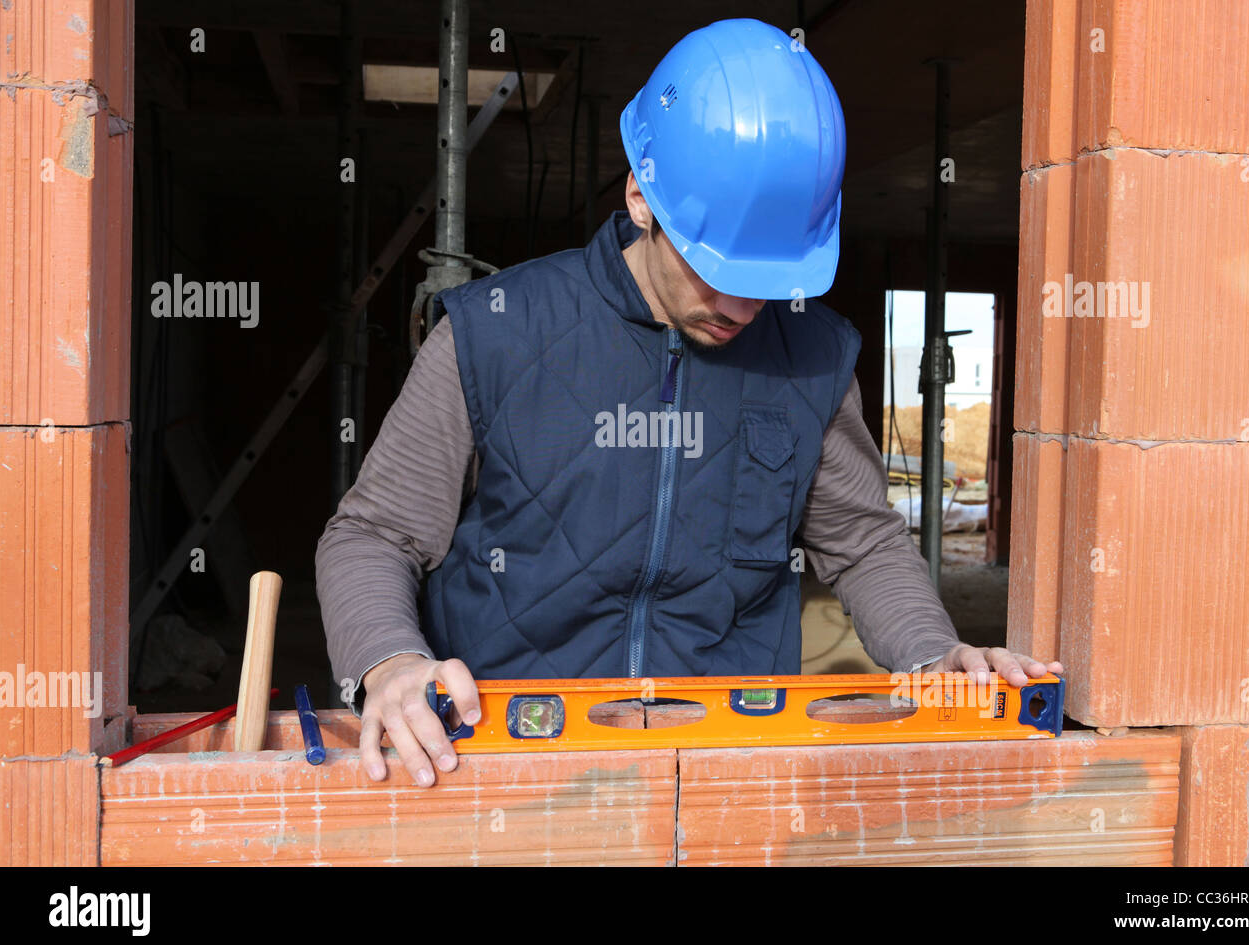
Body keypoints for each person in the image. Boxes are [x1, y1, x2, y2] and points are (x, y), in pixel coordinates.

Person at [316, 18, 1062, 788]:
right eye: (714, 270)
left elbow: (863, 543)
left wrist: (935, 657)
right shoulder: (497, 333)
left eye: (769, 281)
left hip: (725, 766)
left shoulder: (813, 356)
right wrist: (392, 661)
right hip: (509, 759)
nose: (742, 307)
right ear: (642, 196)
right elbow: (372, 535)